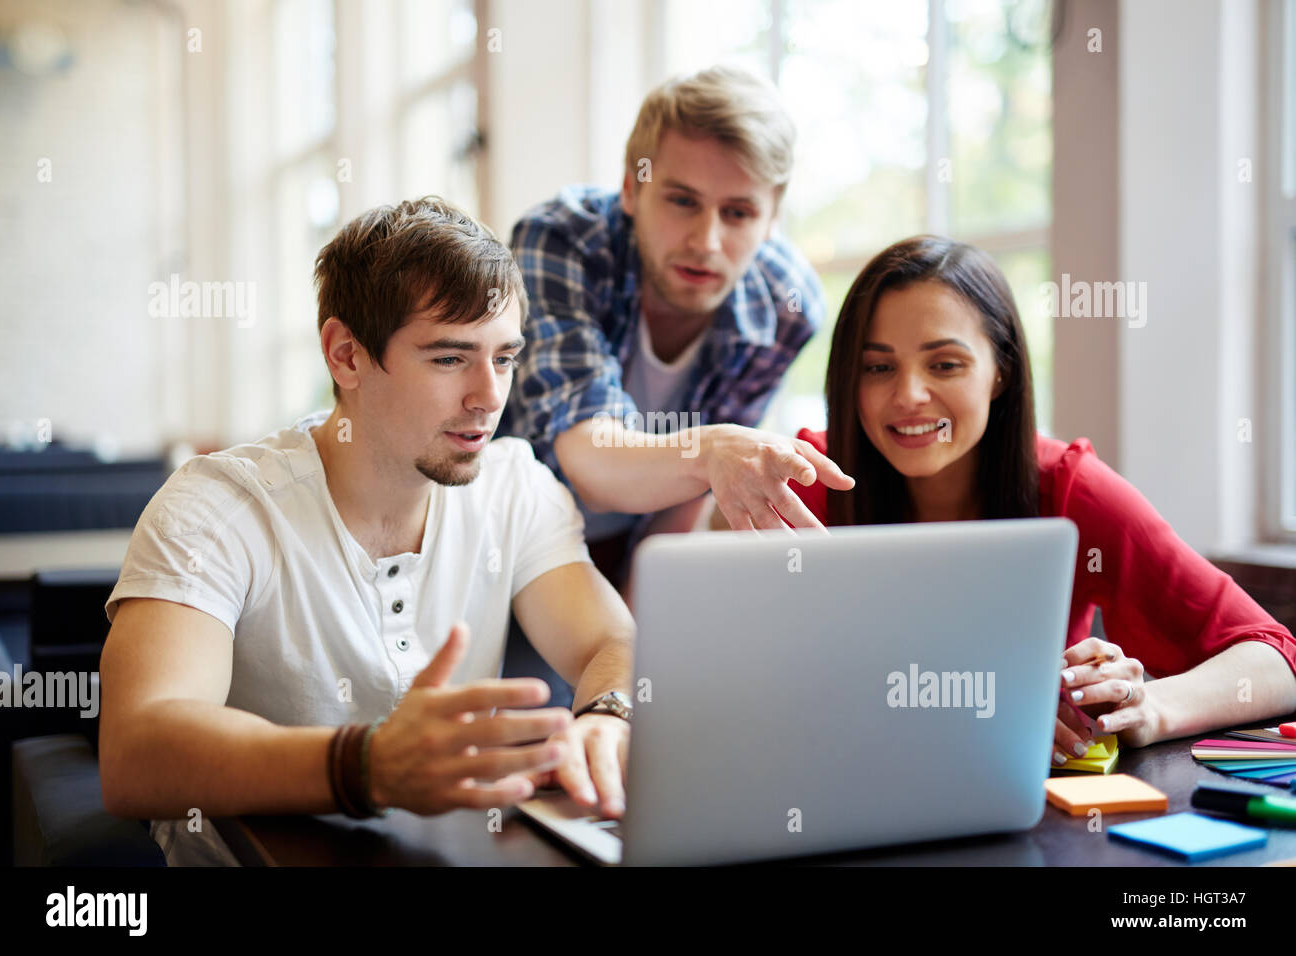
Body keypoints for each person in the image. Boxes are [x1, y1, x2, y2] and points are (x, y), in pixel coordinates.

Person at [98, 197, 636, 866]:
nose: (489, 396)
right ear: (346, 355)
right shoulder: (216, 508)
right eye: (449, 359)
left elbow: (608, 641)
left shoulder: (516, 486)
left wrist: (608, 715)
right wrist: (367, 766)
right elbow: (135, 751)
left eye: (504, 358)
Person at [762, 235, 1296, 759]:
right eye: (879, 367)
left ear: (1002, 371)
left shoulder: (1070, 490)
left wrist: (1147, 706)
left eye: (945, 364)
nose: (908, 396)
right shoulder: (805, 486)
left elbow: (1277, 659)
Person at [499, 65, 853, 589]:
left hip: (631, 542)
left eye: (737, 213)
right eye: (682, 200)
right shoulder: (562, 240)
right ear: (630, 188)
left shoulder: (786, 306)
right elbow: (586, 459)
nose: (706, 241)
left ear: (771, 218)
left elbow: (687, 499)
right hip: (504, 536)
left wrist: (640, 629)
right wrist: (710, 452)